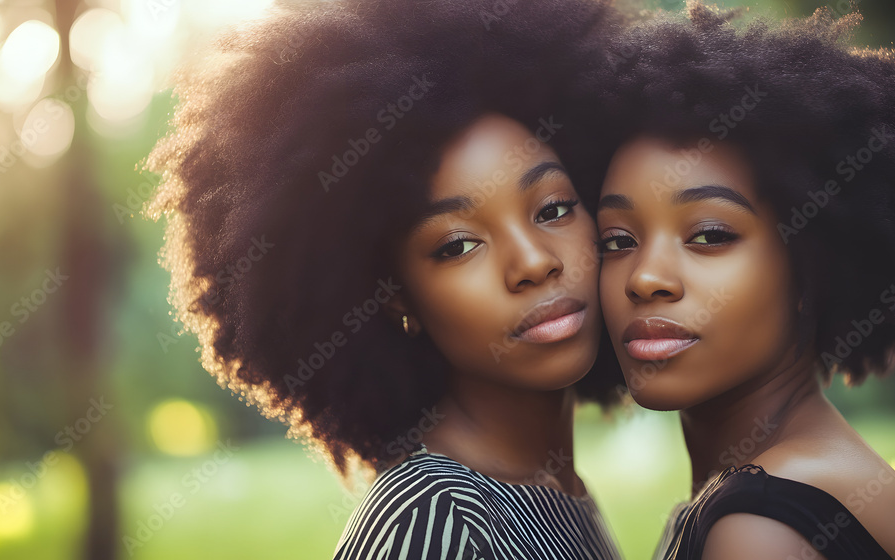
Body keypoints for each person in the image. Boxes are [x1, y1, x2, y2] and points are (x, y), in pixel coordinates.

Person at [143, 0, 624, 557]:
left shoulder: (551, 488)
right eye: (457, 245)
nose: (534, 262)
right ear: (394, 294)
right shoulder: (436, 526)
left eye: (554, 210)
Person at [584, 3, 895, 559]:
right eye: (617, 241)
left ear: (809, 266)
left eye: (709, 235)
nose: (645, 277)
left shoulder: (759, 527)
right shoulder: (811, 478)